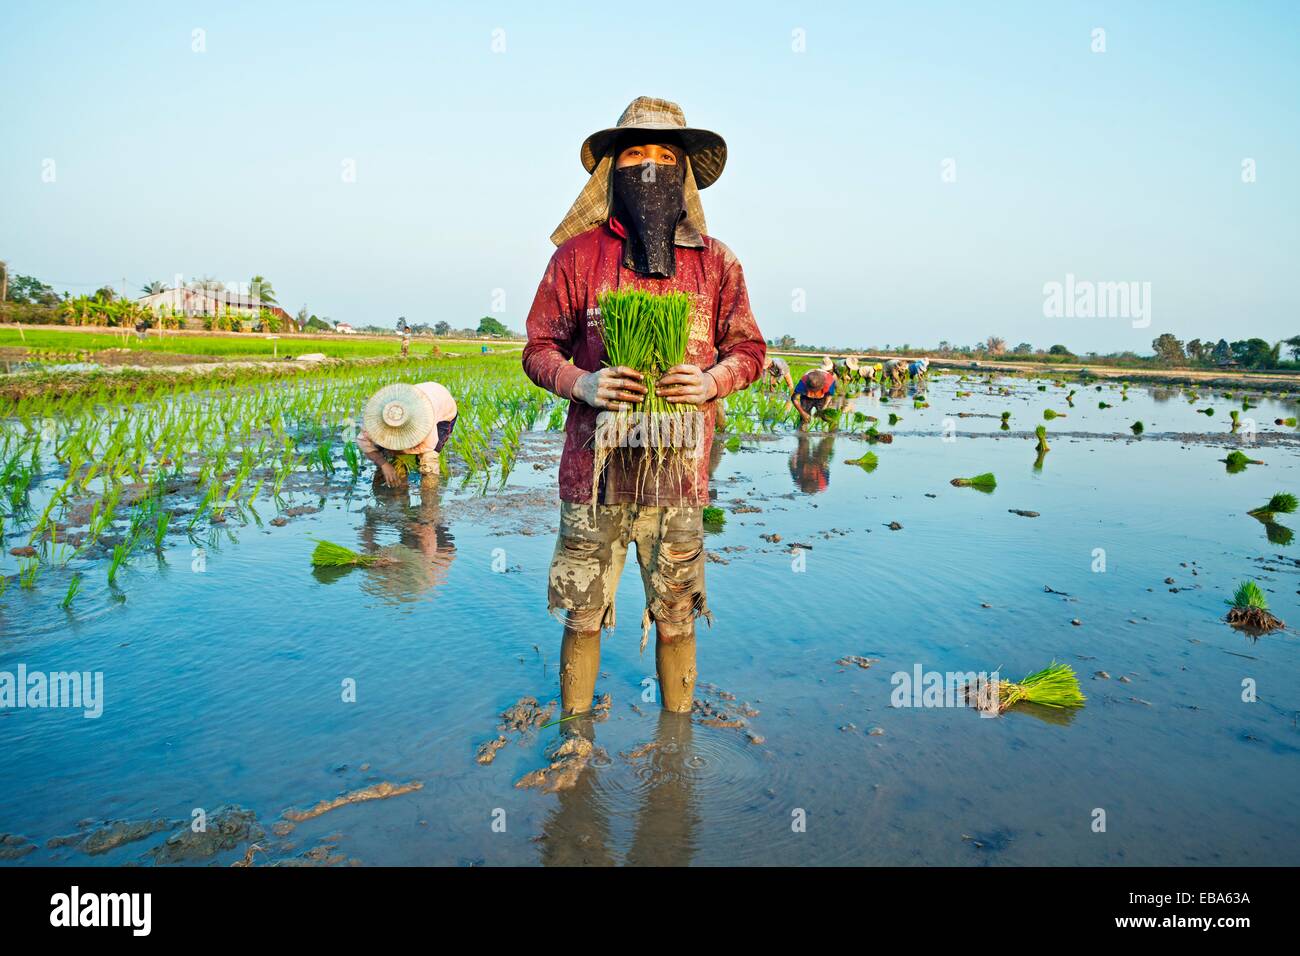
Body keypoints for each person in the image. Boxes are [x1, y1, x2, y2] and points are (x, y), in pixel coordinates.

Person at [522, 96, 766, 716]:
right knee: (581, 615)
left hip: (679, 477)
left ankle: (675, 745)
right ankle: (574, 739)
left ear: (683, 171)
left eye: (665, 155)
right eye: (635, 154)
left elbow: (751, 350)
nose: (650, 166)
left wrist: (711, 382)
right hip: (593, 475)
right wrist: (581, 383)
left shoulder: (716, 263)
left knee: (677, 615)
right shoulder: (577, 257)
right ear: (613, 170)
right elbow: (538, 348)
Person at [357, 381, 458, 485]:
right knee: (391, 459)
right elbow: (363, 443)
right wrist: (384, 464)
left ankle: (430, 497)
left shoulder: (424, 422)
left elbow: (428, 450)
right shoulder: (375, 420)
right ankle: (396, 490)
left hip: (443, 407)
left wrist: (399, 452)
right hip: (421, 395)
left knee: (428, 464)